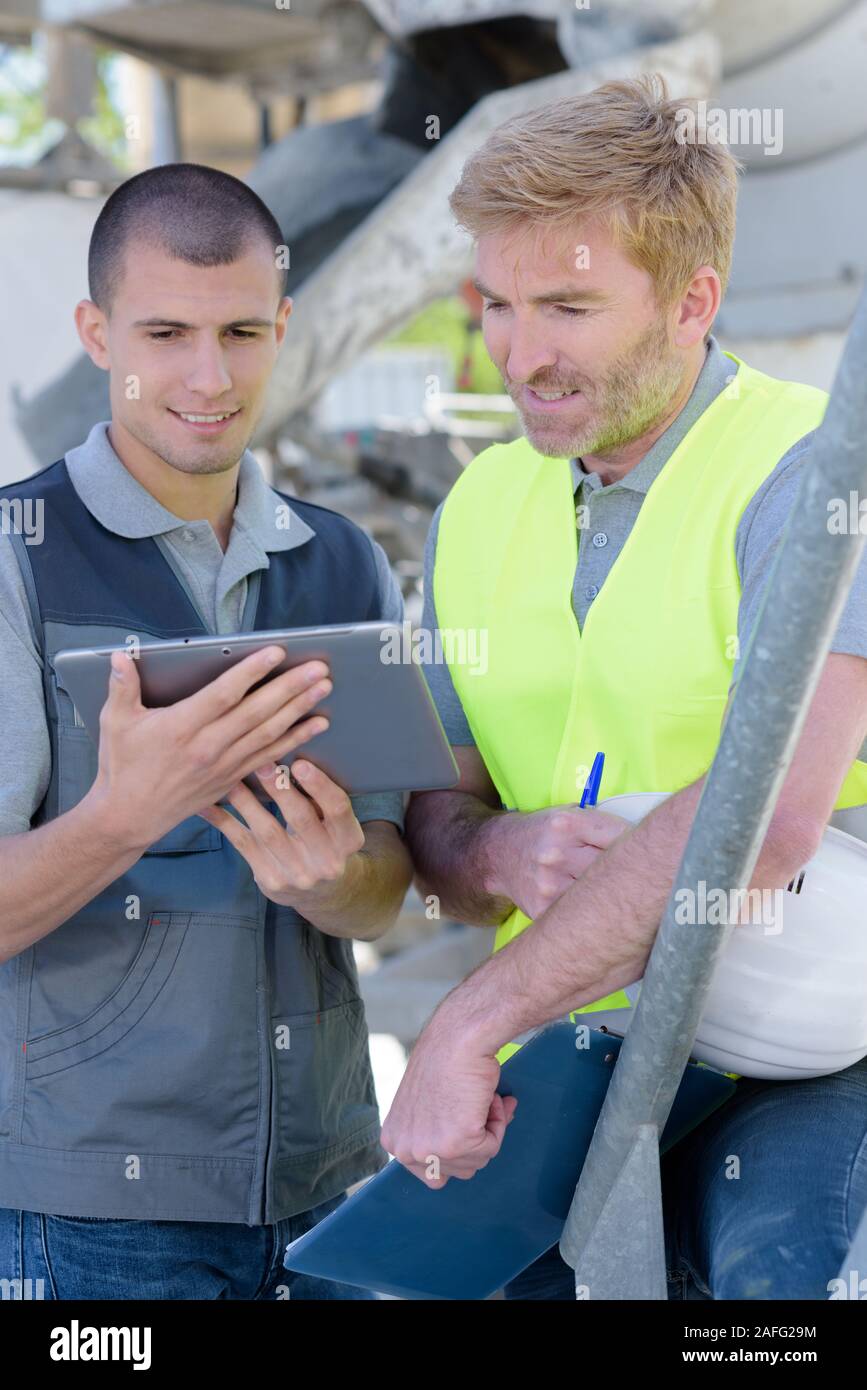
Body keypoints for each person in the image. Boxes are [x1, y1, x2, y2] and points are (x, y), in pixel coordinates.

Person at [381, 76, 867, 1300]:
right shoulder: (478, 505)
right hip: (570, 1062)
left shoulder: (814, 478)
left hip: (811, 1046)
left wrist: (468, 1020)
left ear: (694, 301)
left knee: (778, 1300)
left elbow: (766, 821)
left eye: (569, 307)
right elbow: (438, 819)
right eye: (498, 304)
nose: (521, 353)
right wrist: (497, 852)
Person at [0, 163, 412, 1300]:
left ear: (282, 326)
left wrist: (334, 880)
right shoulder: (16, 559)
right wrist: (123, 816)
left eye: (240, 332)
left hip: (327, 1187)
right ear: (97, 334)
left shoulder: (345, 562)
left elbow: (385, 889)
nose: (208, 377)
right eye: (165, 333)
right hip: (93, 1216)